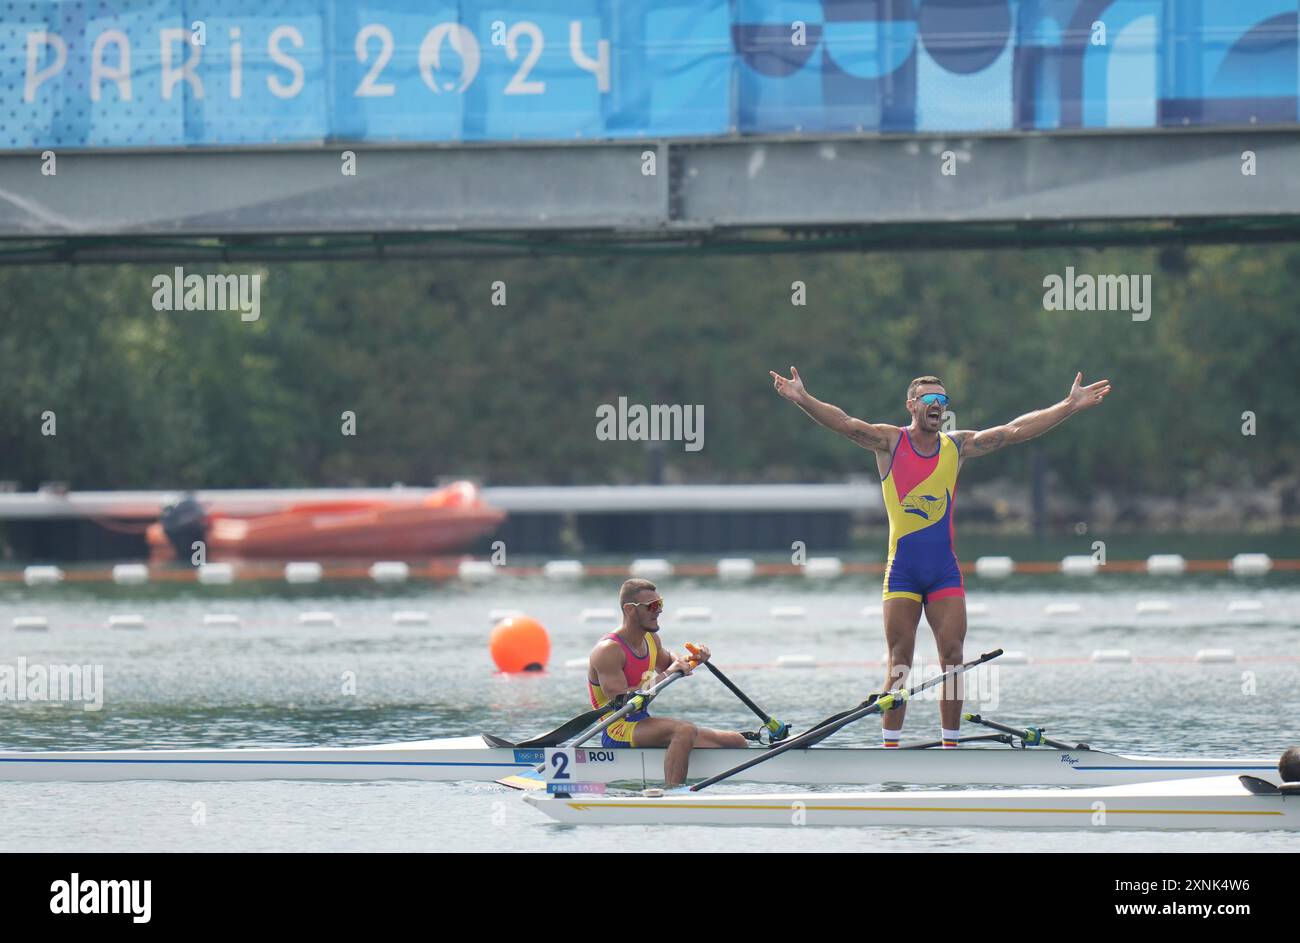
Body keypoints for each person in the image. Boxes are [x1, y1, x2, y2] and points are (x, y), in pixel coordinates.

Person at [770, 368, 1110, 747]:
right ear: (912, 405)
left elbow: (1014, 431)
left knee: (953, 656)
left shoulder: (957, 446)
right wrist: (803, 398)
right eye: (930, 399)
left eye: (943, 401)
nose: (937, 406)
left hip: (943, 572)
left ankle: (950, 745)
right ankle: (890, 747)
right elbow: (846, 424)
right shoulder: (889, 441)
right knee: (900, 660)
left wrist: (1069, 404)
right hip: (902, 571)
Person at [588, 578, 748, 784]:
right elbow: (621, 700)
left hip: (642, 722)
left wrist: (692, 660)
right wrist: (669, 672)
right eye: (652, 606)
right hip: (617, 729)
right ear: (629, 609)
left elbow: (668, 663)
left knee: (736, 741)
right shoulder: (608, 650)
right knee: (684, 729)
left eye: (660, 604)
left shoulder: (650, 639)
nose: (659, 611)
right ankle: (674, 793)